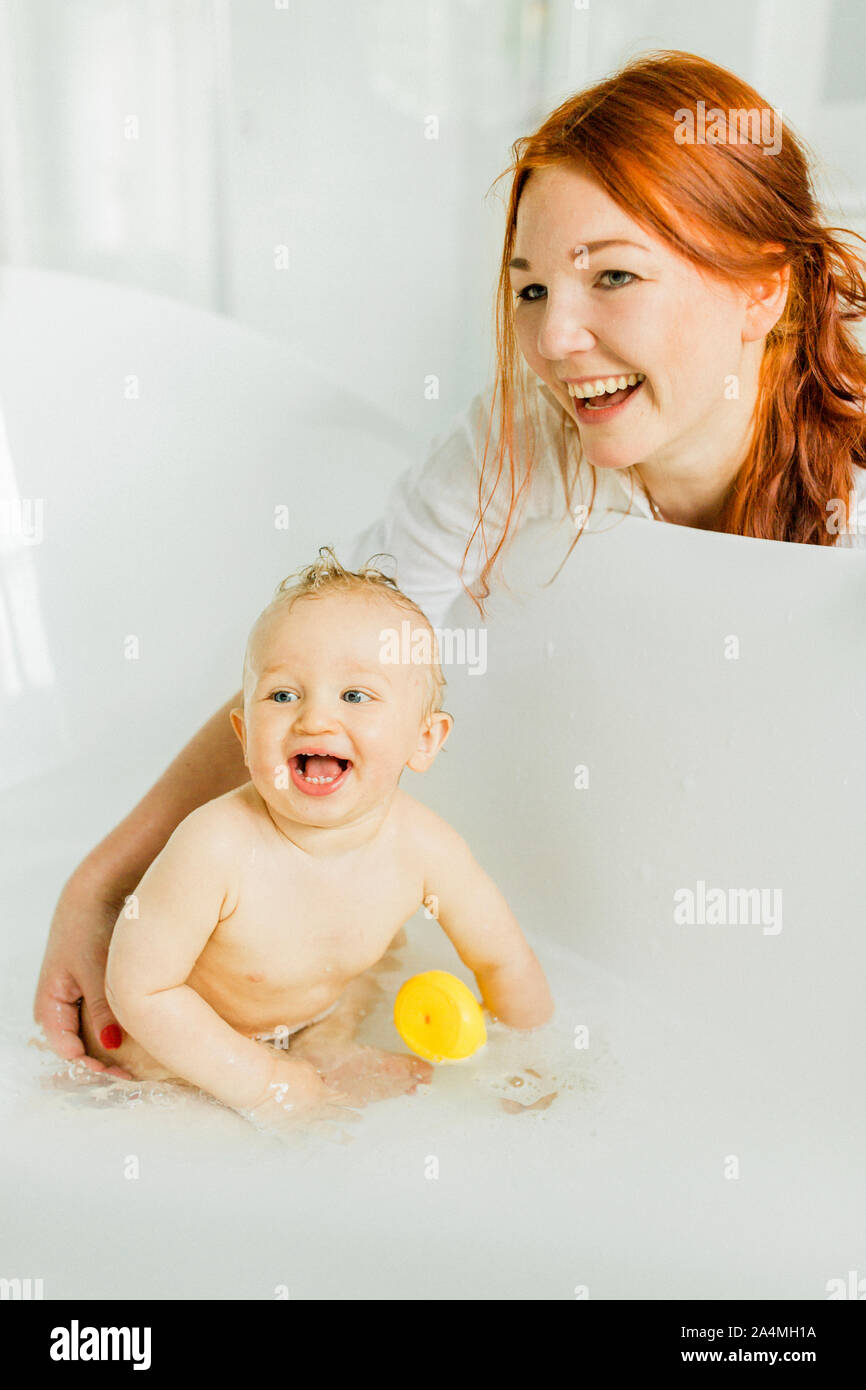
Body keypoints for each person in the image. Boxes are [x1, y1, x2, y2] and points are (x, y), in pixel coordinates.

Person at [35, 49, 866, 1070]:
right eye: (527, 289)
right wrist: (102, 882)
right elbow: (334, 672)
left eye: (611, 275)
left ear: (761, 290)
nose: (553, 338)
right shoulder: (518, 439)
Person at [75, 550, 553, 1126]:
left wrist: (525, 1059)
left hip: (312, 1010)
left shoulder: (427, 850)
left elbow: (504, 961)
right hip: (179, 1043)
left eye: (355, 695)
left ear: (424, 739)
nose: (314, 720)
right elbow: (141, 992)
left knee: (368, 975)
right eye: (282, 695)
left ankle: (325, 1045)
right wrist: (261, 1084)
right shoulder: (215, 846)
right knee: (161, 1090)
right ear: (244, 734)